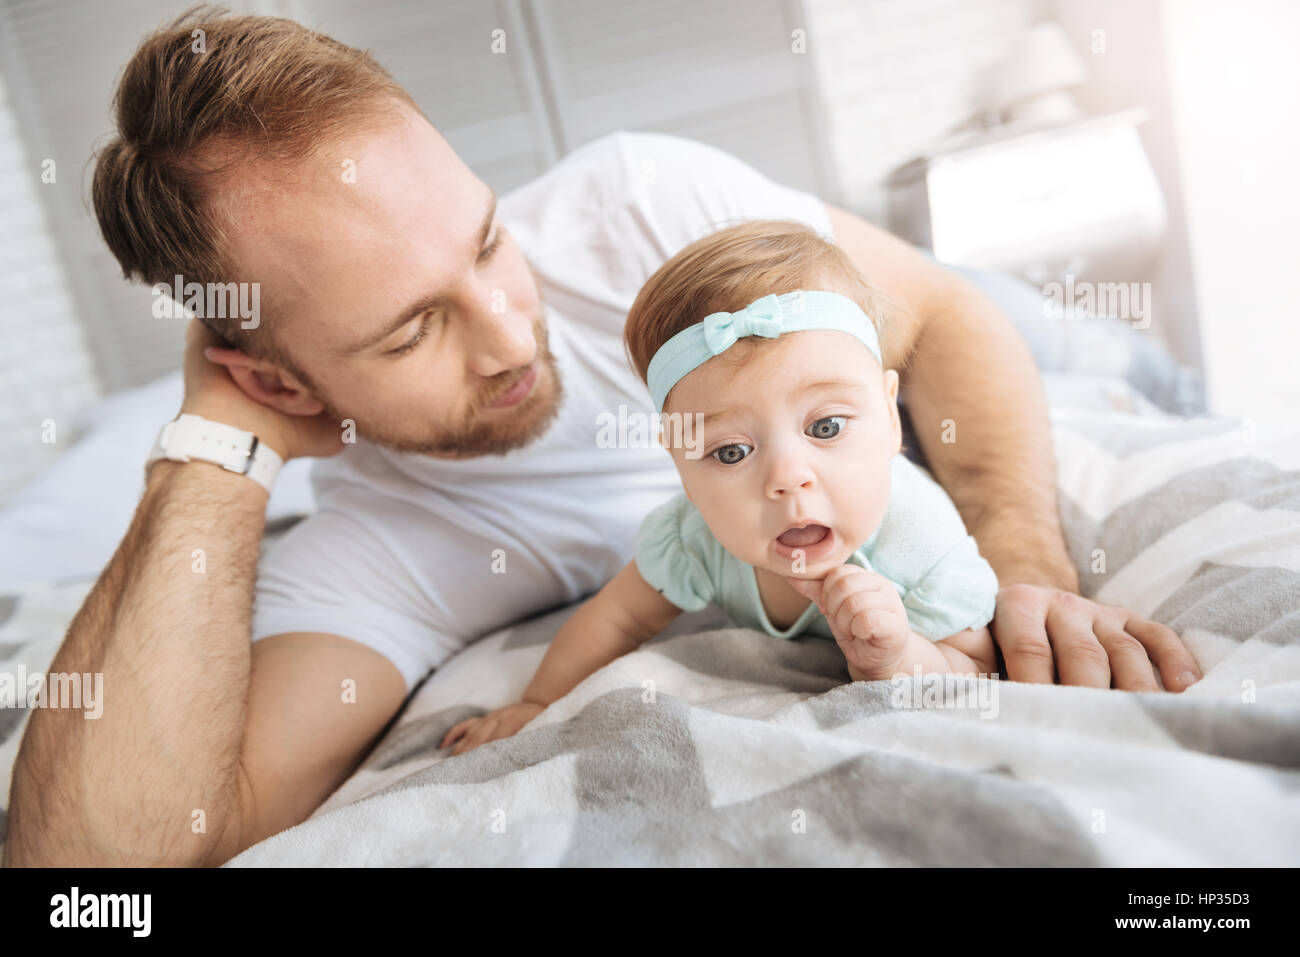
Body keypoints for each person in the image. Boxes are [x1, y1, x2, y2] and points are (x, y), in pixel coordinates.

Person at [4, 9, 1200, 867]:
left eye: (482, 241)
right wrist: (212, 436)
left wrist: (1026, 569)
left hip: (993, 359)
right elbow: (98, 877)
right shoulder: (381, 552)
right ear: (280, 378)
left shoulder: (638, 209)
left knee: (1121, 356)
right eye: (414, 328)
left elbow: (942, 310)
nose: (510, 333)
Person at [443, 222, 1004, 756]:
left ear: (889, 414)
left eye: (826, 427)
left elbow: (979, 667)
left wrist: (902, 655)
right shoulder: (693, 537)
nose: (787, 477)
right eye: (730, 451)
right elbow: (615, 619)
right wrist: (538, 703)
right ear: (679, 460)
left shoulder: (921, 548)